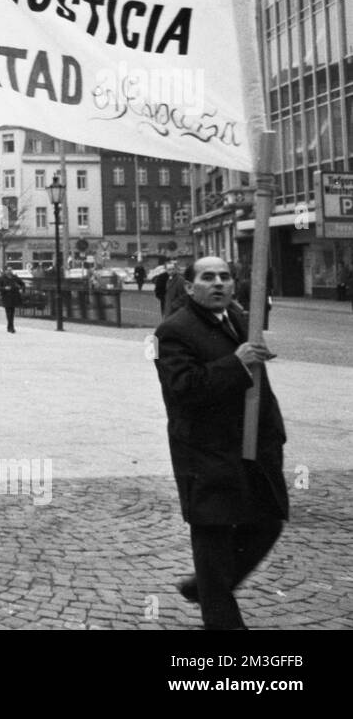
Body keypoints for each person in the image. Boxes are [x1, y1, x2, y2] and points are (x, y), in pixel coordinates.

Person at [152, 257, 288, 630]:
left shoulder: (239, 317)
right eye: (207, 277)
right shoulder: (171, 332)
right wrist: (236, 361)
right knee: (213, 537)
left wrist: (273, 432)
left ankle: (206, 587)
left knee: (268, 522)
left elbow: (257, 383)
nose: (218, 284)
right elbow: (184, 389)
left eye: (225, 277)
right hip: (204, 451)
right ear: (190, 285)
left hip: (250, 446)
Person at [0, 266, 26, 333]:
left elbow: (22, 284)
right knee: (8, 312)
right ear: (5, 271)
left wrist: (21, 289)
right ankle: (11, 327)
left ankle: (10, 326)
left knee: (12, 312)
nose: (9, 271)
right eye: (8, 270)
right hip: (6, 297)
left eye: (11, 270)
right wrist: (5, 288)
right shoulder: (1, 278)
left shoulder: (14, 277)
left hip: (14, 296)